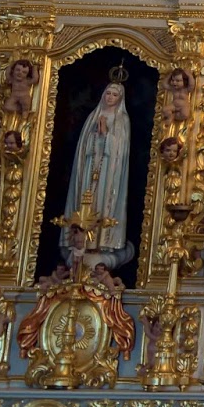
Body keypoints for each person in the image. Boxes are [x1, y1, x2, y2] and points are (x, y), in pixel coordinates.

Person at [62, 81, 134, 269]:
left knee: (103, 204)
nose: (110, 97)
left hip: (109, 173)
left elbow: (120, 149)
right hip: (89, 168)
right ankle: (80, 243)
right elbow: (83, 146)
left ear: (120, 99)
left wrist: (106, 136)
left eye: (114, 95)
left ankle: (102, 244)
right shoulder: (93, 116)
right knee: (85, 201)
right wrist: (96, 136)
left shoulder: (122, 120)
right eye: (108, 93)